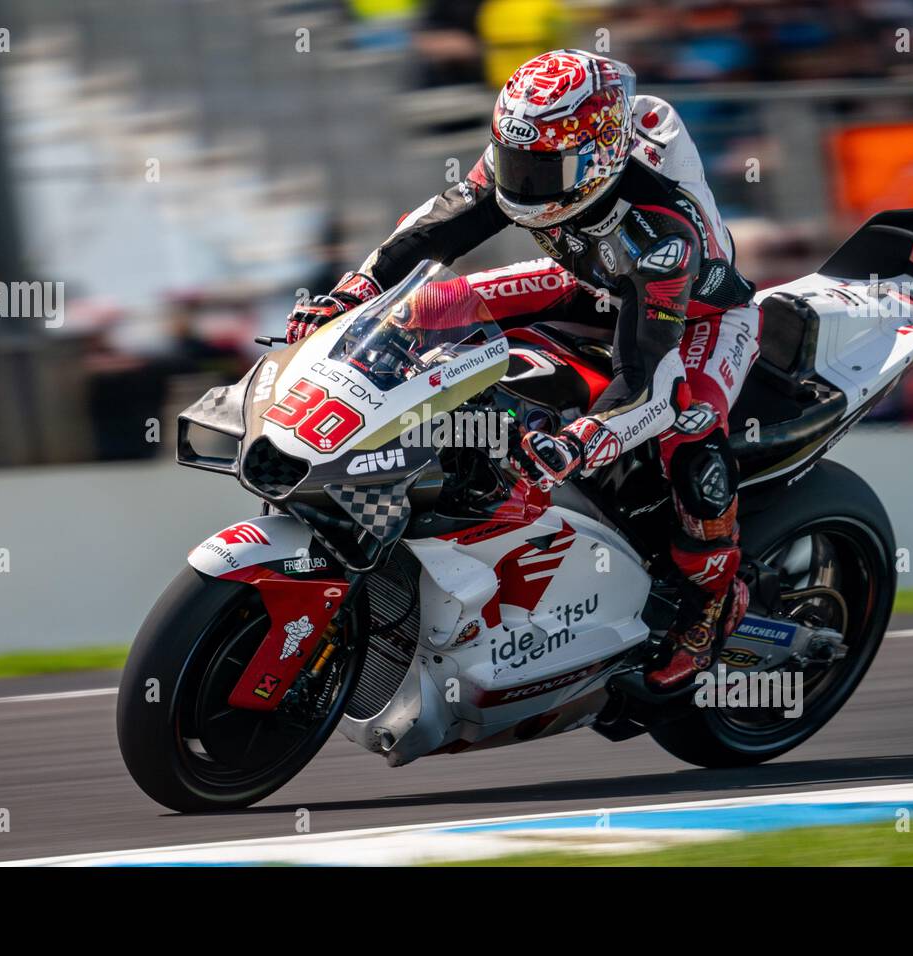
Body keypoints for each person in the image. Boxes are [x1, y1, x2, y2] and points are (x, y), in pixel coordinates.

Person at [286, 50, 760, 689]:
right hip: (590, 280)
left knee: (690, 432)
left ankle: (714, 598)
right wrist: (353, 293)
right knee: (427, 308)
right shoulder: (539, 154)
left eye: (543, 170)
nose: (520, 183)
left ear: (602, 155)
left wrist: (582, 441)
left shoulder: (660, 230)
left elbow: (649, 377)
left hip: (693, 317)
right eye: (513, 162)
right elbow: (433, 232)